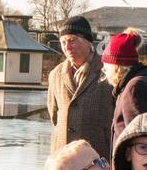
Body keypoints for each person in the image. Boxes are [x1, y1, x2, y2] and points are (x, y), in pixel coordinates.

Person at [46, 15, 115, 159]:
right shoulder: (55, 75)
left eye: (72, 41)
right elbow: (54, 116)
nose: (67, 47)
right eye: (63, 42)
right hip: (62, 160)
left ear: (88, 42)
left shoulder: (109, 71)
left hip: (98, 159)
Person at [102, 28, 147, 143]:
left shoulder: (135, 88)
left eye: (106, 65)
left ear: (116, 66)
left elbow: (139, 141)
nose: (104, 69)